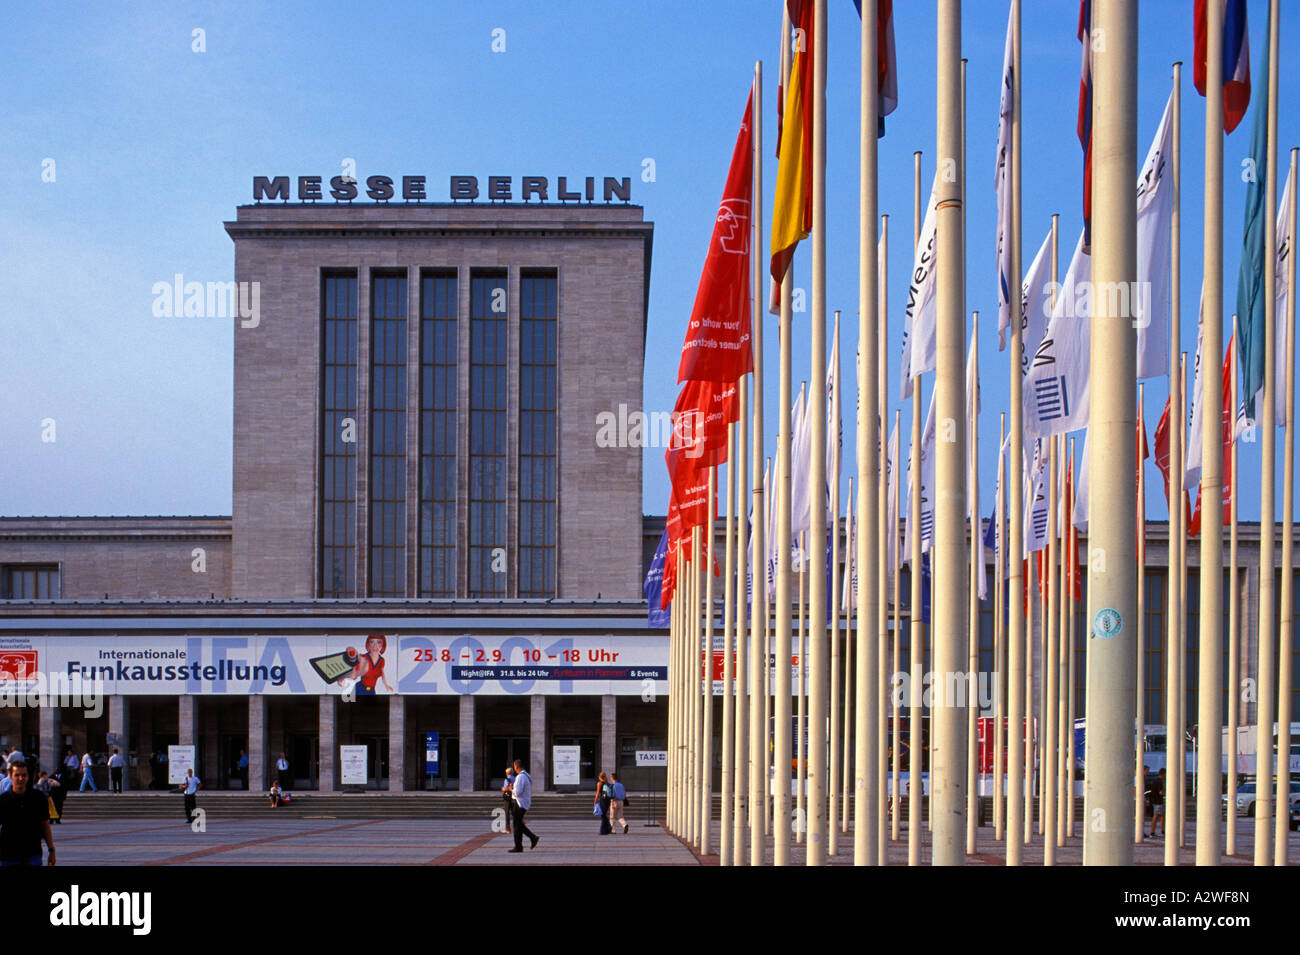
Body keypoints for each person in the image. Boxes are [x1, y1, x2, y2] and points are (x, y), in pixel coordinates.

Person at [0, 762, 55, 866]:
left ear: (28, 776)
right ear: (10, 777)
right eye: (17, 775)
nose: (21, 778)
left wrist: (51, 850)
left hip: (32, 854)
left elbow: (45, 824)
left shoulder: (38, 798)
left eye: (24, 775)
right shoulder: (3, 800)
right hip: (8, 856)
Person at [508, 758, 538, 853]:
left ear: (516, 766)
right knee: (518, 824)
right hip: (524, 802)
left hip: (520, 803)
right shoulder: (527, 775)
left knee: (517, 825)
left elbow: (518, 792)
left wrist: (511, 789)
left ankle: (519, 846)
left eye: (514, 766)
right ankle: (531, 838)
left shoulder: (521, 777)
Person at [1149, 768, 1166, 838]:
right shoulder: (1159, 782)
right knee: (1156, 816)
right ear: (1163, 774)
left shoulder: (1155, 781)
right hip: (1158, 801)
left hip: (1156, 801)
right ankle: (1152, 832)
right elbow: (1160, 792)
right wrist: (1164, 789)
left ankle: (1162, 830)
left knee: (1162, 815)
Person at [595, 771, 613, 835]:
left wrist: (595, 801)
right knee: (604, 814)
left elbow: (597, 793)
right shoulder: (607, 783)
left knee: (603, 815)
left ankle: (603, 830)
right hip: (607, 800)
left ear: (599, 777)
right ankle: (607, 829)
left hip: (602, 800)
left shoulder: (599, 783)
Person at [500, 765, 515, 833]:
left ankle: (508, 828)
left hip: (507, 798)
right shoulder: (515, 778)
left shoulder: (507, 779)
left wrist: (503, 788)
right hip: (514, 797)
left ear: (507, 773)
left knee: (507, 813)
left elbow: (506, 788)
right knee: (514, 812)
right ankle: (517, 827)